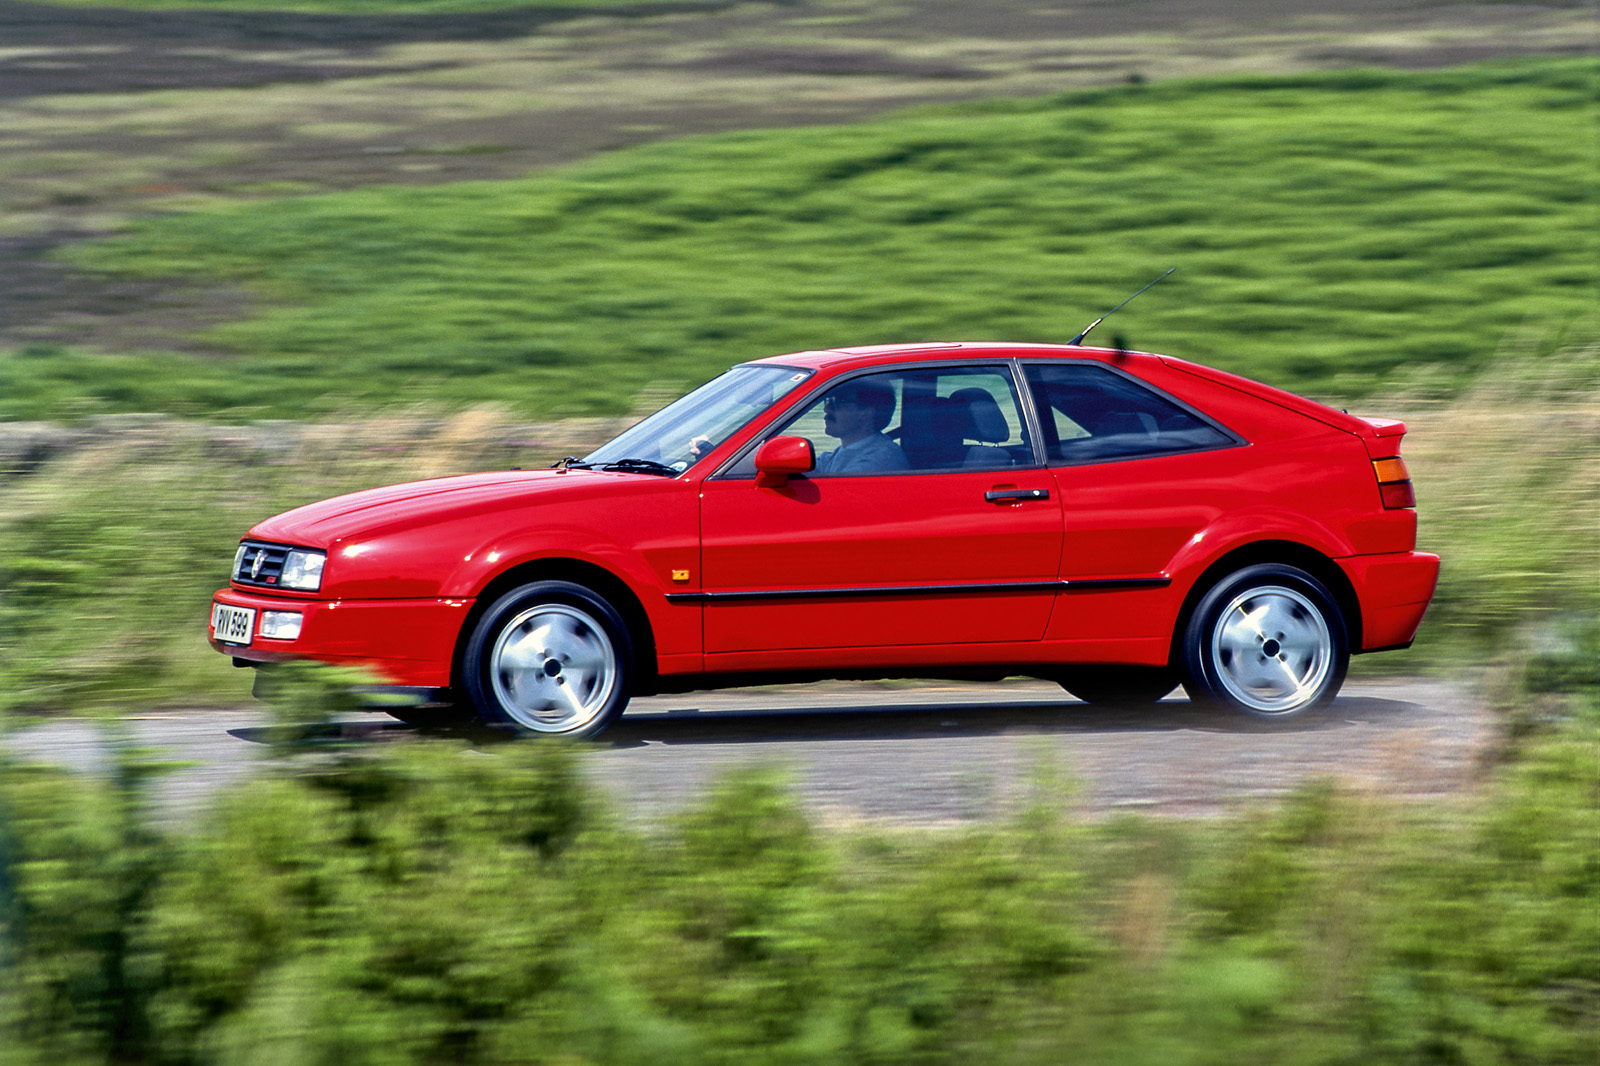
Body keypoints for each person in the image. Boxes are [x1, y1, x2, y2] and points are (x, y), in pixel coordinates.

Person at [812, 380, 909, 474]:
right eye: (829, 400)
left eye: (839, 401)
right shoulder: (838, 455)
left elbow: (836, 489)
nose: (826, 408)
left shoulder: (878, 460)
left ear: (866, 413)